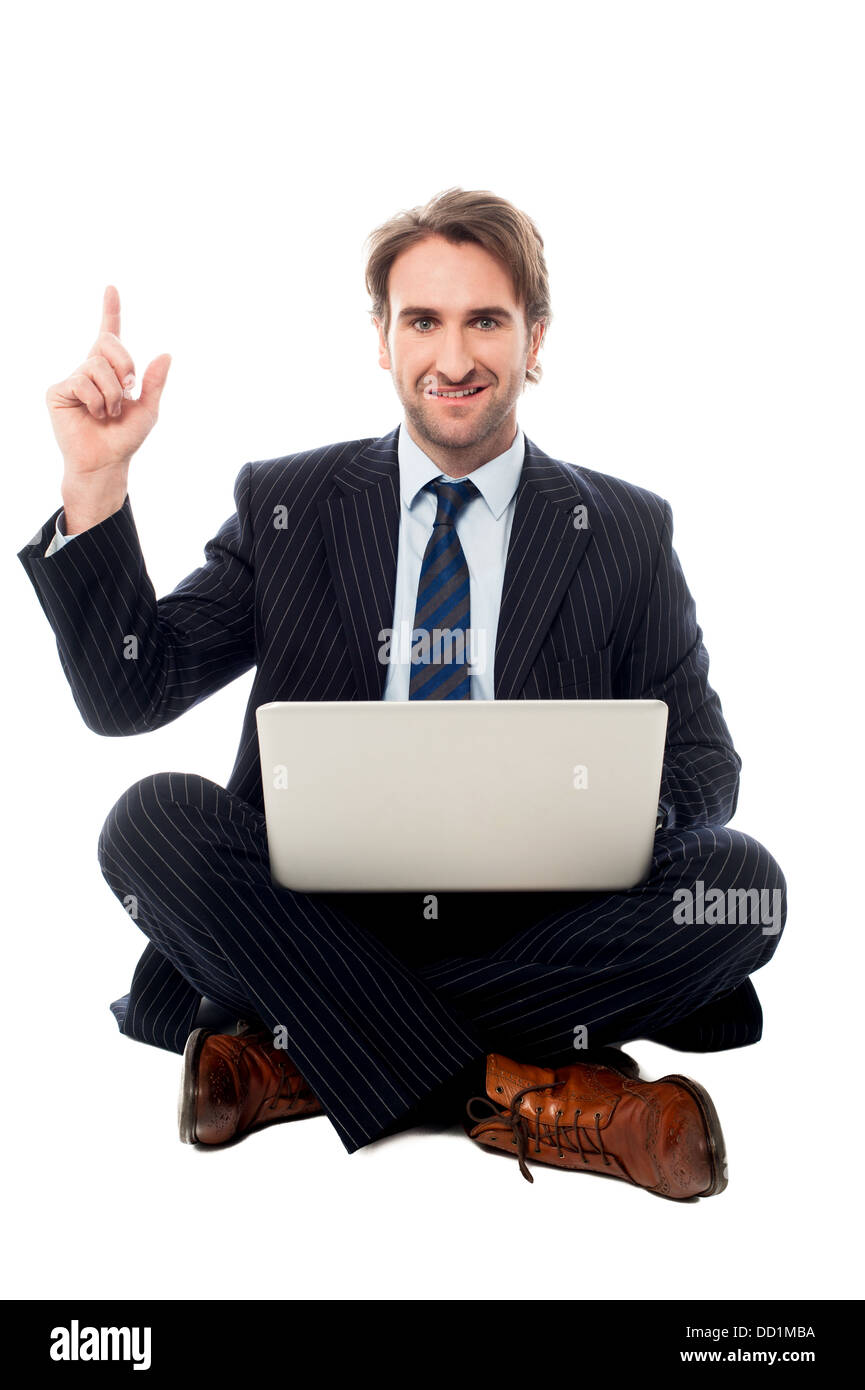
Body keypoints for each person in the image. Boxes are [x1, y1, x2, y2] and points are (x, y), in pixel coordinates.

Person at [18, 187, 786, 1200]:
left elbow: (705, 765)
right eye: (422, 319)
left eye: (485, 320)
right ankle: (538, 1091)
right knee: (147, 823)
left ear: (535, 336)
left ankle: (302, 1059)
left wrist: (603, 813)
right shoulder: (289, 504)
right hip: (311, 910)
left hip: (537, 923)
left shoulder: (626, 529)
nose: (453, 356)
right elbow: (131, 687)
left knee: (741, 887)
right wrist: (95, 486)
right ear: (381, 338)